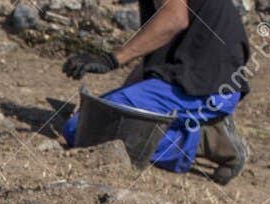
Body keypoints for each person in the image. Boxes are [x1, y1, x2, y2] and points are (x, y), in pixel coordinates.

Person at [61, 0, 251, 183]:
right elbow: (160, 53)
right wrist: (114, 102)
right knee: (92, 119)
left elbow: (174, 20)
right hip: (199, 80)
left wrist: (112, 59)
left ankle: (203, 140)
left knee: (82, 130)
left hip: (207, 87)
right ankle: (199, 128)